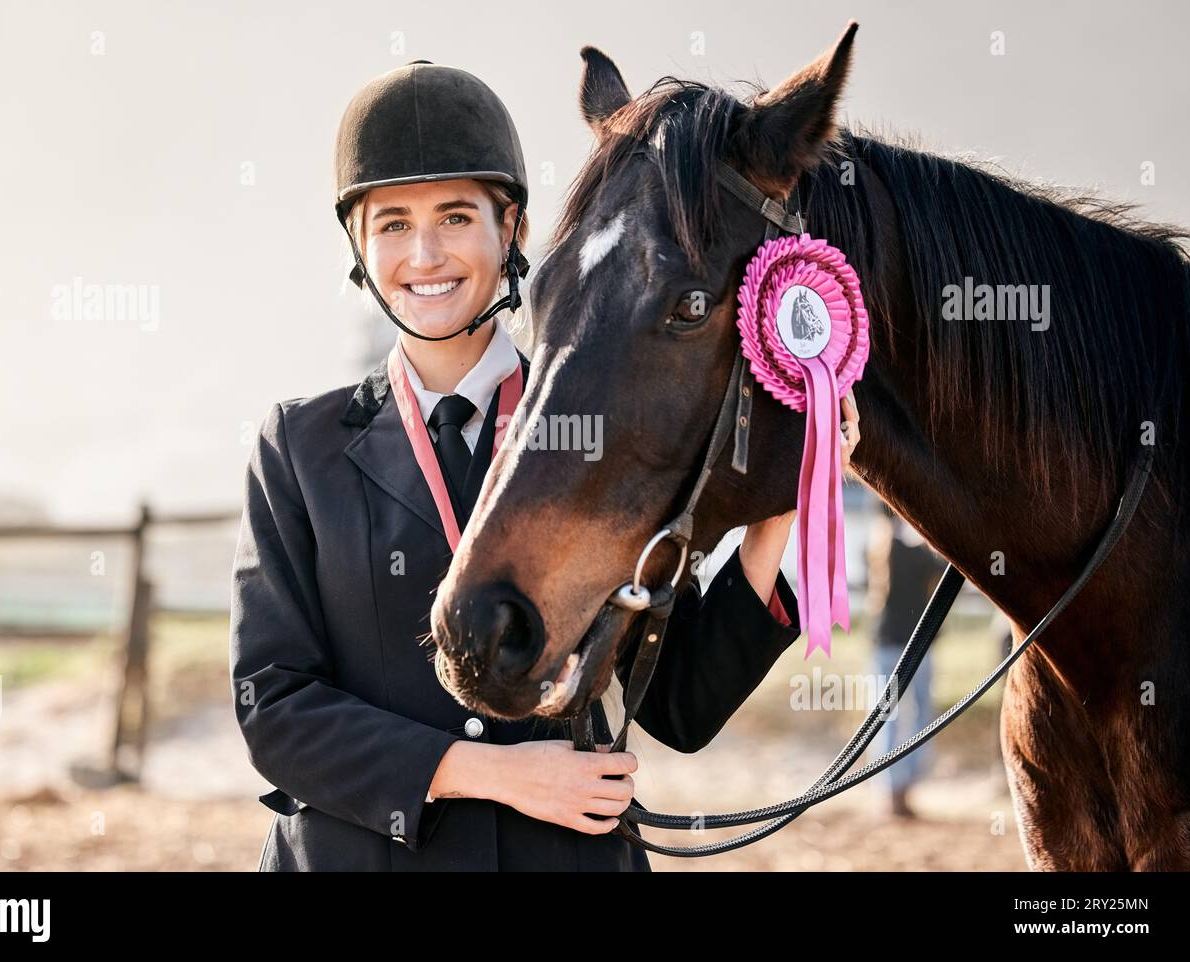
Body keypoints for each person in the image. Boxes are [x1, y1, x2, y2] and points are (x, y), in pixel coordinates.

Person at [228, 58, 860, 871]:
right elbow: (275, 707)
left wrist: (786, 502)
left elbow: (683, 704)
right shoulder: (297, 448)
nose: (425, 254)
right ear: (358, 244)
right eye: (391, 224)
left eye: (456, 217)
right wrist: (496, 775)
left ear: (513, 230)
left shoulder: (605, 429)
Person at [865, 501, 941, 817]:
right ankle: (905, 785)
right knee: (920, 715)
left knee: (887, 718)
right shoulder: (916, 552)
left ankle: (888, 788)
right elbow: (940, 569)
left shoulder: (876, 549)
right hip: (916, 645)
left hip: (885, 643)